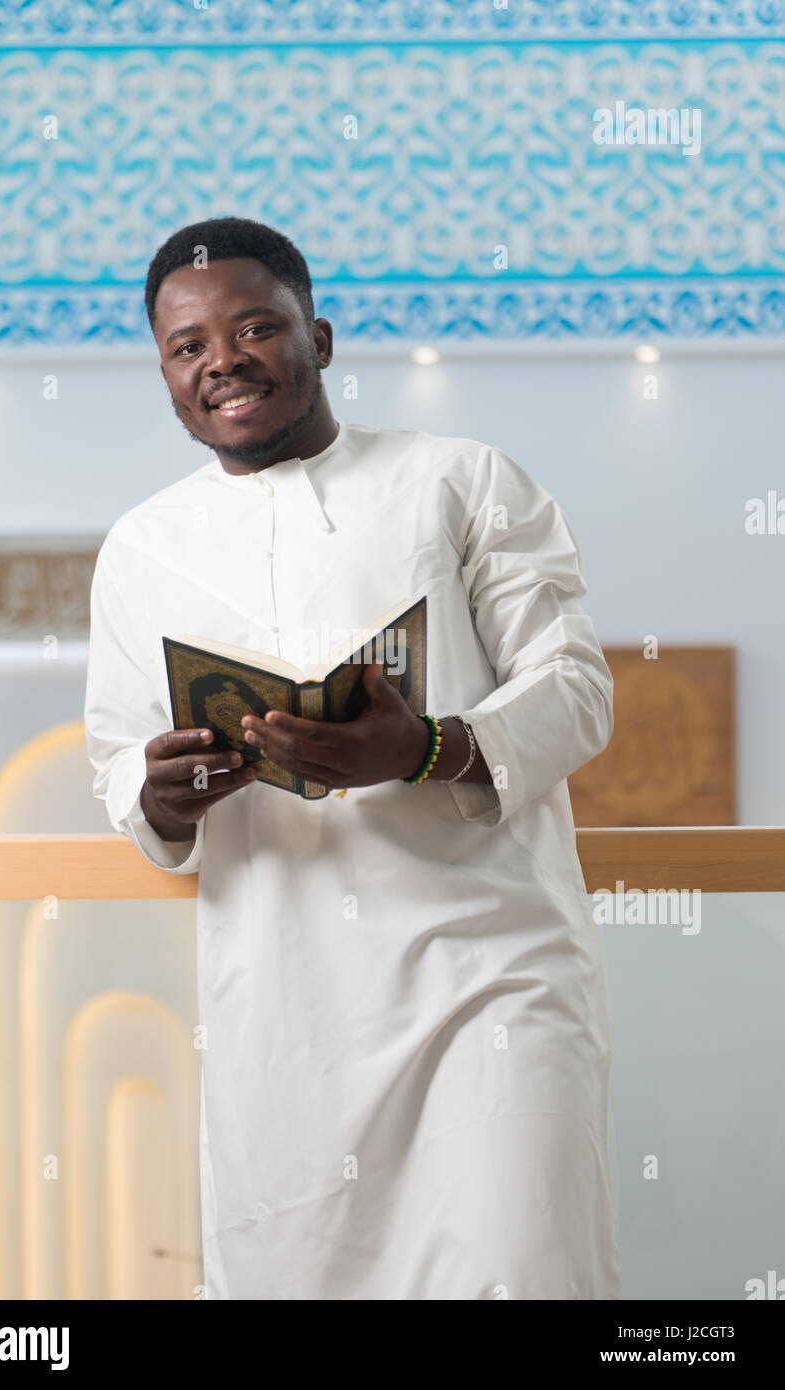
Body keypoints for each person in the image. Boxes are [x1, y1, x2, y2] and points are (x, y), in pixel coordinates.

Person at [84, 215, 621, 1300]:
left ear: (318, 339)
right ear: (165, 375)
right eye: (186, 347)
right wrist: (164, 793)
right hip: (285, 1009)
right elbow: (118, 768)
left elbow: (576, 693)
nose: (222, 360)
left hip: (491, 975)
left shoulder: (462, 482)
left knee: (526, 1267)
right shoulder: (140, 548)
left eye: (254, 328)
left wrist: (422, 747)